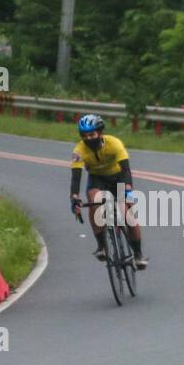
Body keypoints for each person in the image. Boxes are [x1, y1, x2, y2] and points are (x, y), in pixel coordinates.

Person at [69, 114, 148, 270]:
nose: (89, 139)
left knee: (126, 214)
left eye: (92, 134)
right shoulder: (79, 150)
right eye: (85, 136)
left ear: (100, 133)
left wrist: (128, 192)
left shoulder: (114, 144)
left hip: (118, 178)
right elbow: (76, 177)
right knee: (95, 205)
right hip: (97, 179)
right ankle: (102, 246)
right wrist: (74, 198)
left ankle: (138, 254)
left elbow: (126, 170)